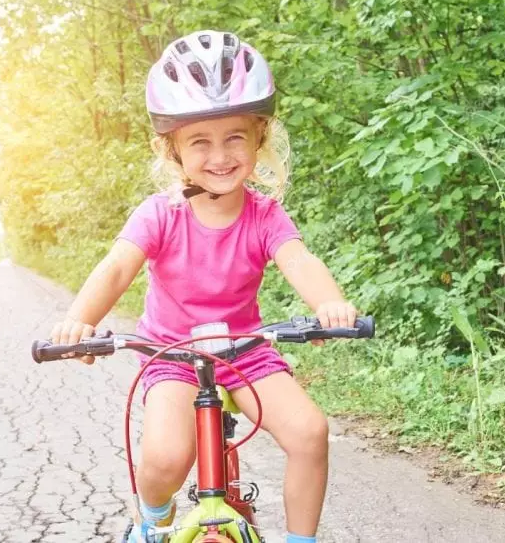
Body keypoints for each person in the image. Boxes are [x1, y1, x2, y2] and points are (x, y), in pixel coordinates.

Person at [51, 30, 357, 543]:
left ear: (259, 138)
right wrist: (80, 319)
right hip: (171, 354)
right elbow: (116, 267)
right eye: (200, 141)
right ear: (171, 148)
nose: (220, 155)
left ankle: (302, 540)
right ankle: (151, 518)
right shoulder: (159, 215)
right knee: (167, 457)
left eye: (235, 136)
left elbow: (299, 259)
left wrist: (328, 303)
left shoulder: (265, 215)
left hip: (247, 353)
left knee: (310, 432)